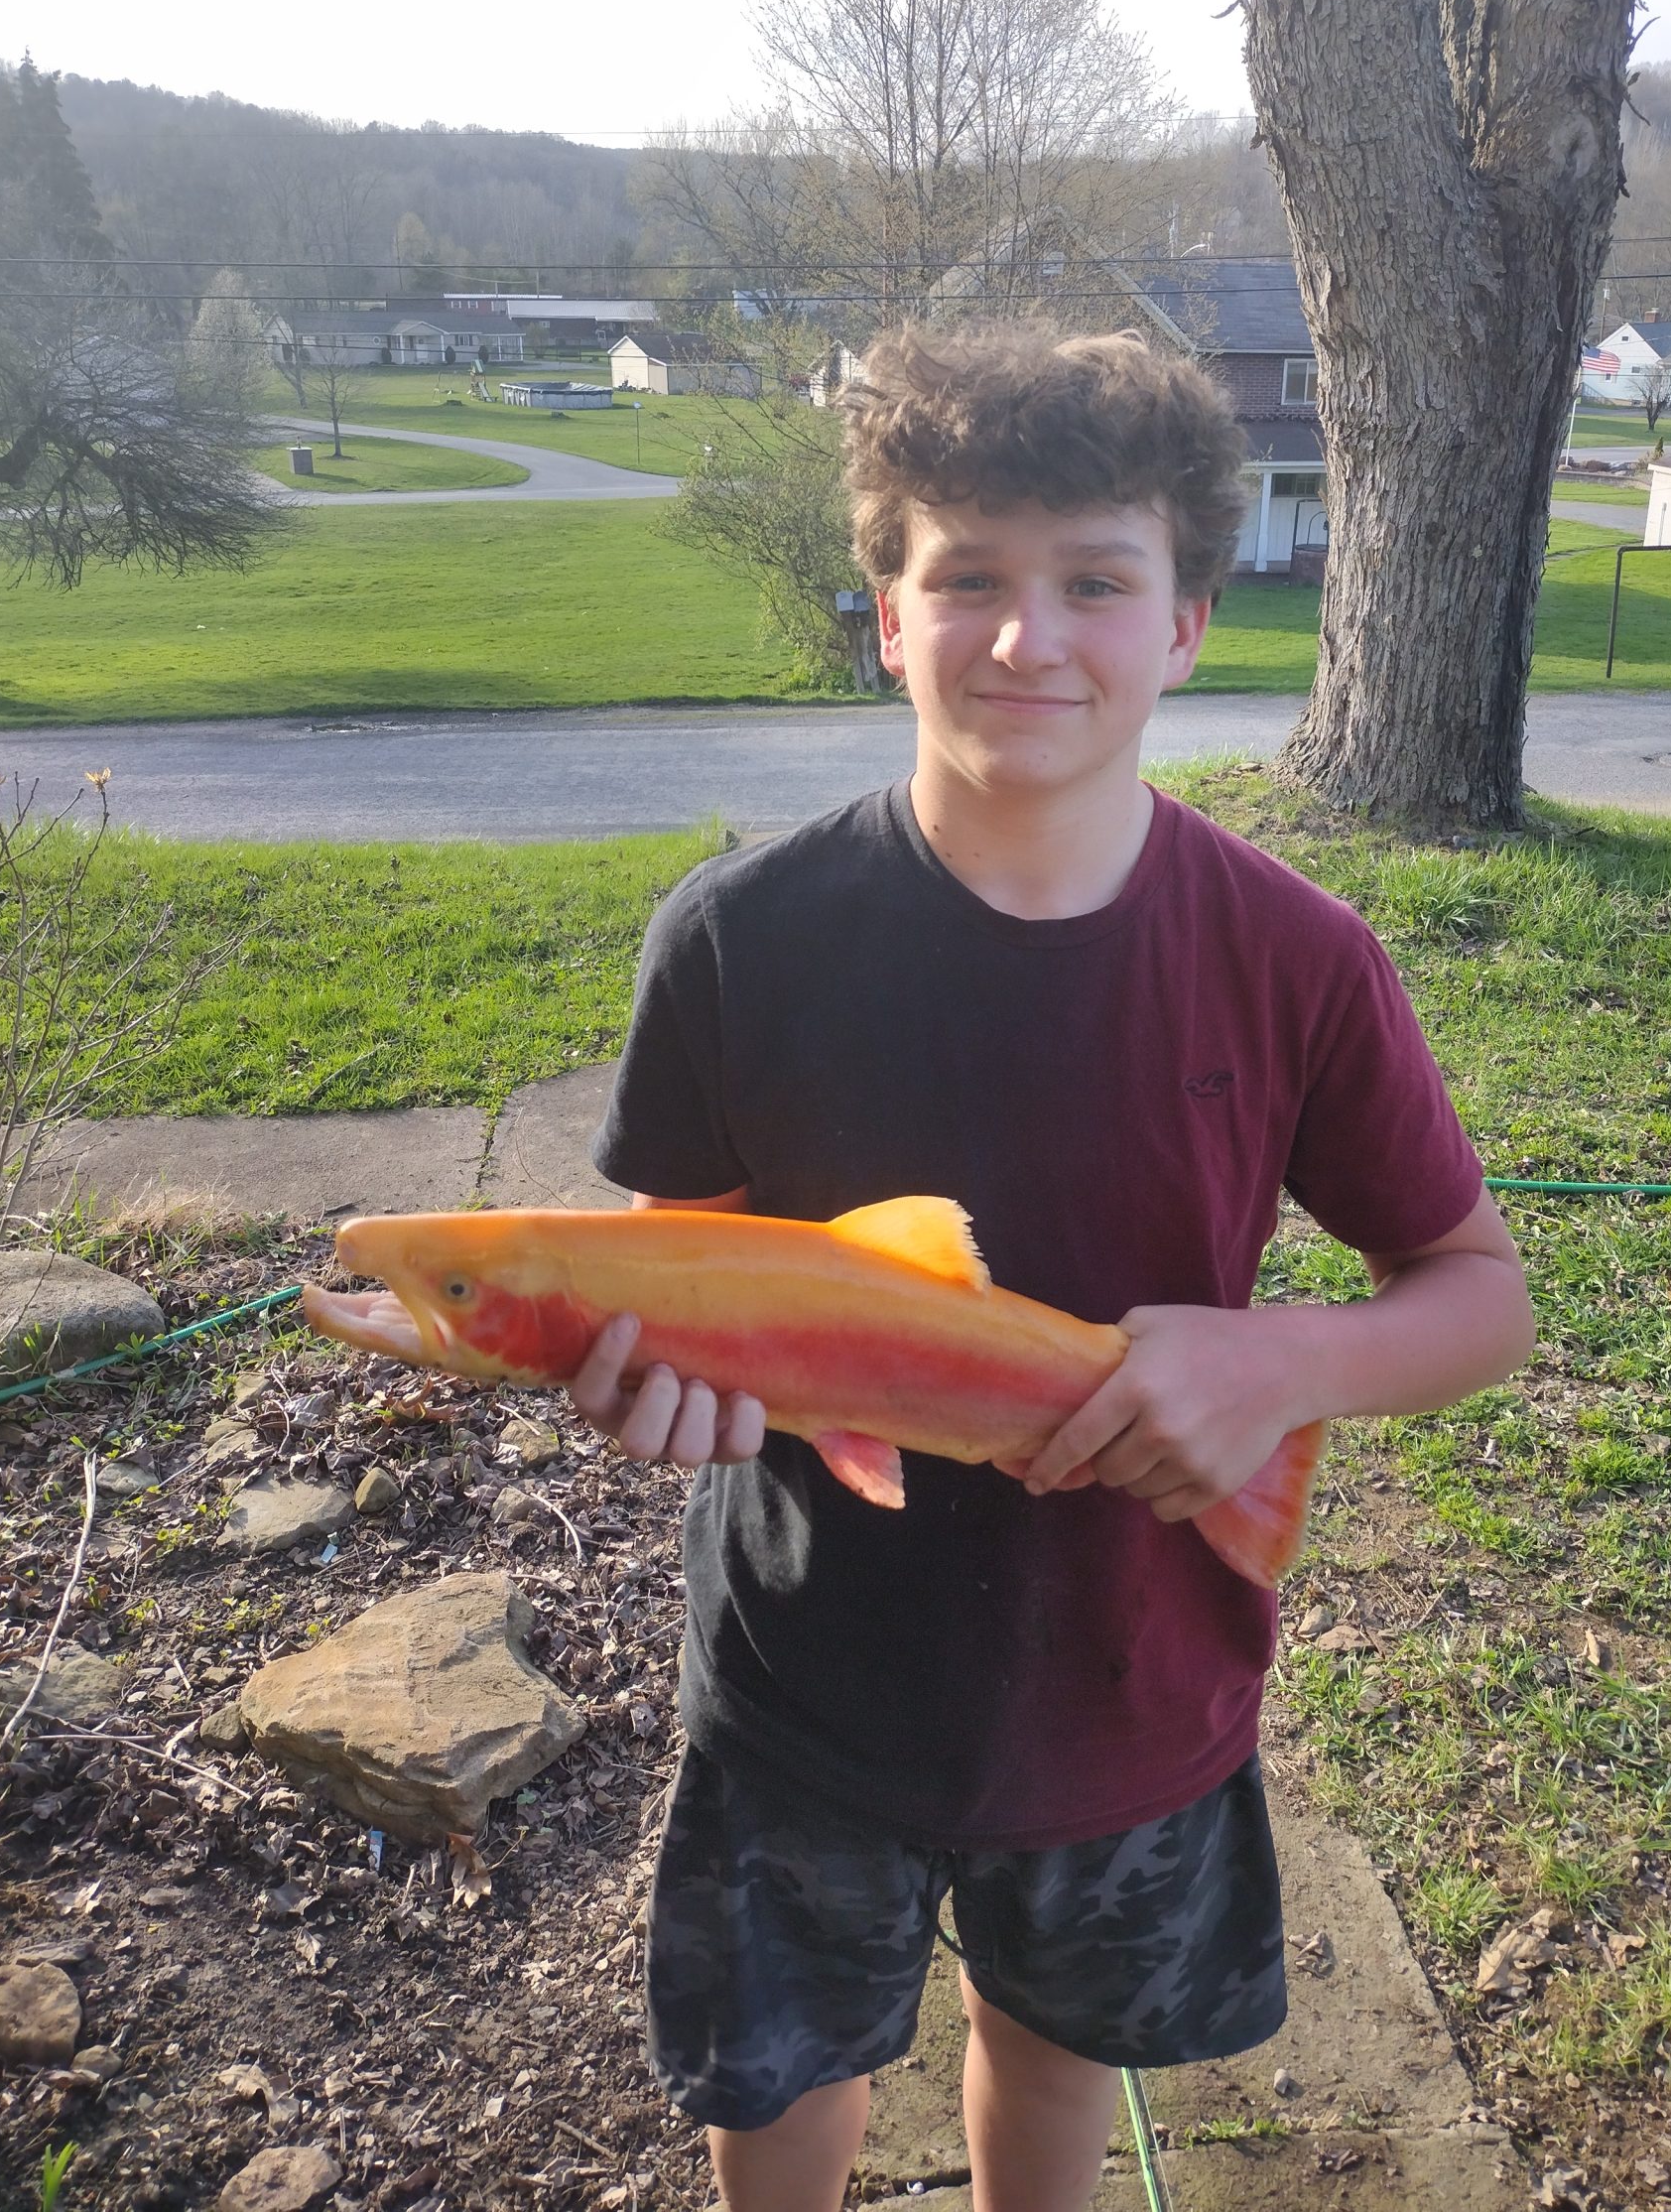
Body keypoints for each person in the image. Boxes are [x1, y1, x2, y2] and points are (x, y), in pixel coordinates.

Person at [569, 323, 1534, 2212]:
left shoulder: (1299, 963)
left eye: (1097, 581)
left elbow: (1472, 1288)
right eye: (971, 581)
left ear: (1185, 622)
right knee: (780, 2089)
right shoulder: (736, 945)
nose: (1031, 640)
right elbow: (650, 1277)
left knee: (1056, 2064)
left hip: (1126, 1683)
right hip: (806, 1687)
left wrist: (1286, 1367)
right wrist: (637, 1386)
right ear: (886, 617)